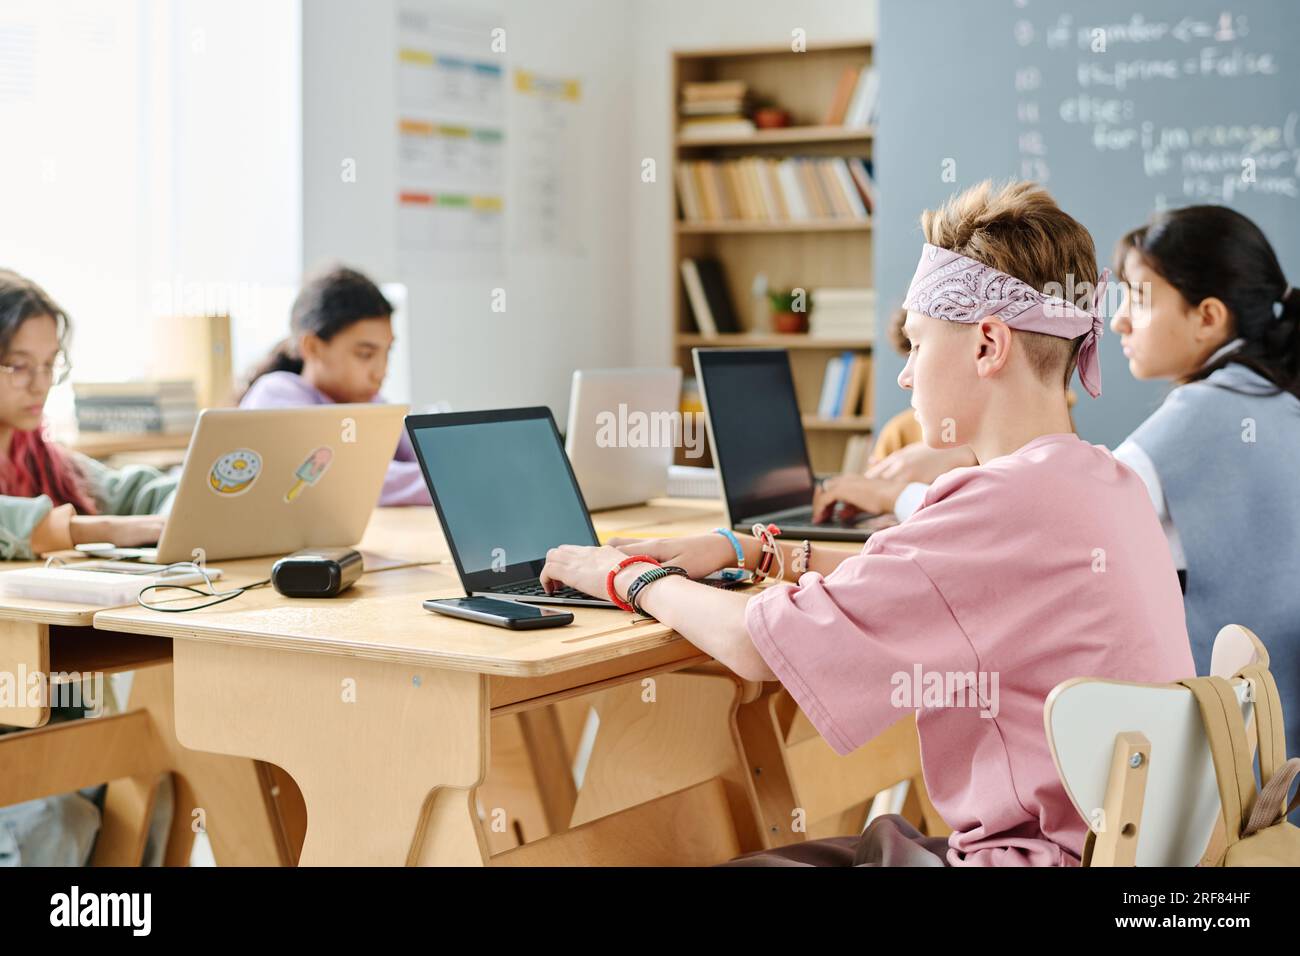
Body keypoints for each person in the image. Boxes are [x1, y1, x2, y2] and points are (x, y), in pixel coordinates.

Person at [538, 180, 1195, 866]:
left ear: (987, 345)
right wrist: (749, 551)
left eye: (916, 345)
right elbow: (919, 576)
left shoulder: (1001, 503)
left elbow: (752, 645)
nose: (906, 376)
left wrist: (628, 576)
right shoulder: (1100, 481)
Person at [0, 270, 172, 560]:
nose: (40, 385)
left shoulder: (42, 459)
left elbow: (137, 493)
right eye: (18, 366)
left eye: (49, 364)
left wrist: (181, 512)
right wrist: (95, 530)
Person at [239, 265, 430, 505]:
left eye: (387, 352)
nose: (382, 372)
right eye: (365, 354)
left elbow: (423, 460)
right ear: (312, 347)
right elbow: (342, 478)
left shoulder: (373, 405)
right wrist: (445, 480)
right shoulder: (278, 397)